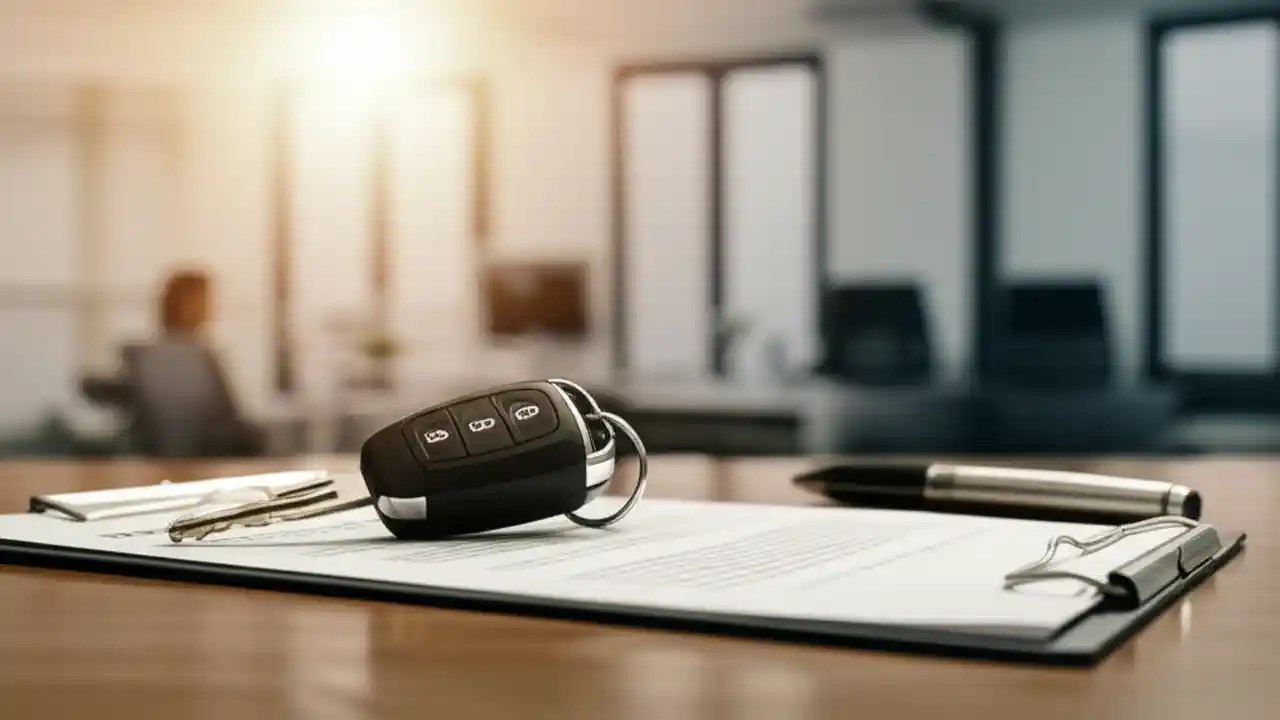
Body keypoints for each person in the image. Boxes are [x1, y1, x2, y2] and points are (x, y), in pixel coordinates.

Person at [82, 270, 264, 457]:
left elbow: (229, 418)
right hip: (172, 460)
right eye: (202, 302)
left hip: (195, 459)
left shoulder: (200, 355)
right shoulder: (148, 356)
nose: (209, 309)